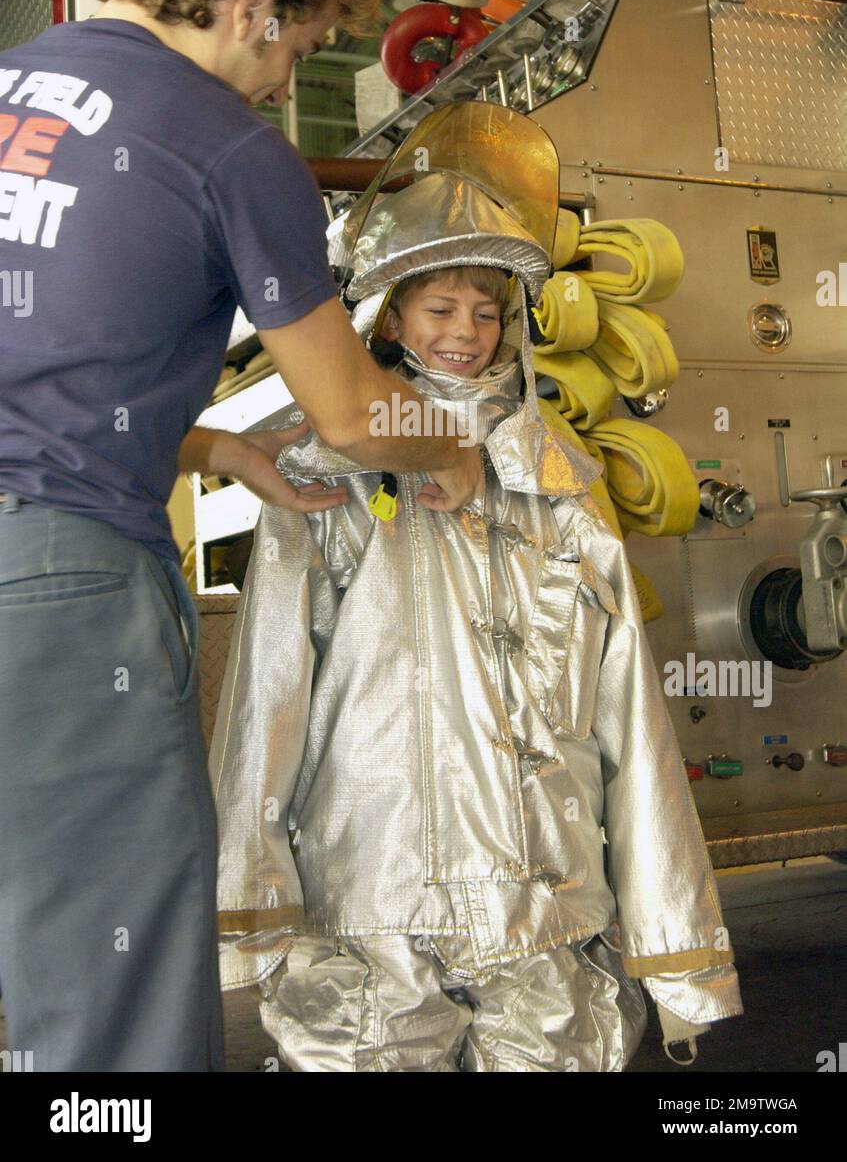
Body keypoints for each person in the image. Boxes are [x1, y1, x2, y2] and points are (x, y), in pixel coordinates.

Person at [0, 0, 481, 1072]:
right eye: (300, 48)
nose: (281, 86)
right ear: (257, 2)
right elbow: (357, 416)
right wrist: (470, 444)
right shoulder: (220, 141)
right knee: (109, 1004)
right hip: (53, 597)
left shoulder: (12, 86)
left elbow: (49, 352)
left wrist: (211, 442)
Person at [210, 103, 743, 1072]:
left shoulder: (561, 474)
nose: (465, 331)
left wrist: (673, 939)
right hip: (374, 897)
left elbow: (627, 709)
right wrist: (248, 889)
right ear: (391, 311)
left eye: (486, 308)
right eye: (439, 307)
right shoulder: (326, 462)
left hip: (547, 903)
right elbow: (269, 684)